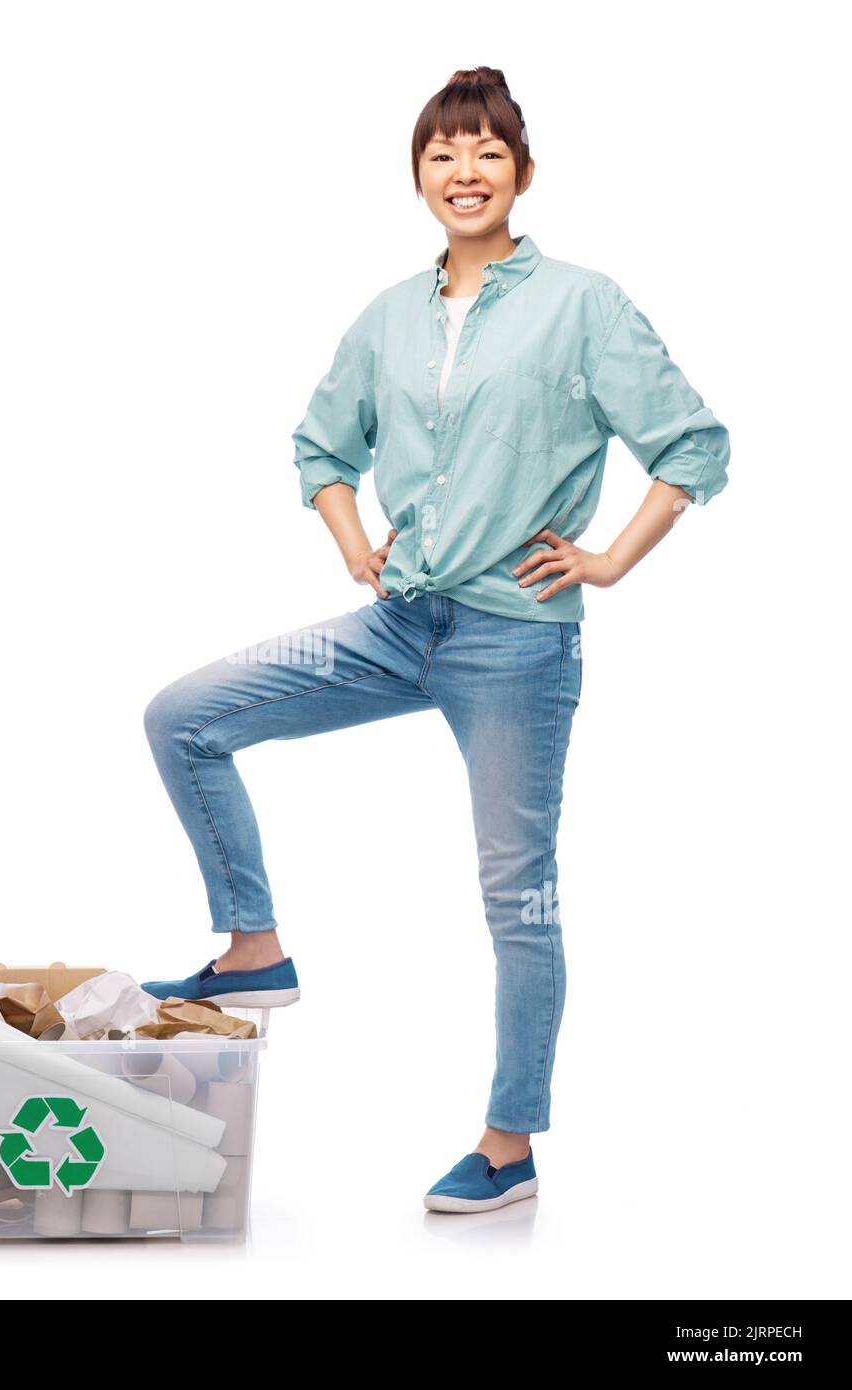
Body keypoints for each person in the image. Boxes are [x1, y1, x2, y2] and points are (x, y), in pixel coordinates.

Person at [141, 66, 730, 1213]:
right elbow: (320, 446)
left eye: (487, 154)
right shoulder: (389, 319)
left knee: (519, 899)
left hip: (516, 646)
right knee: (184, 714)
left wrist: (608, 558)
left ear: (523, 174)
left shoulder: (583, 305)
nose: (465, 173)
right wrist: (353, 539)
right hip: (399, 623)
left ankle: (508, 1147)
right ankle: (254, 945)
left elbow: (693, 446)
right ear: (418, 178)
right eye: (443, 155)